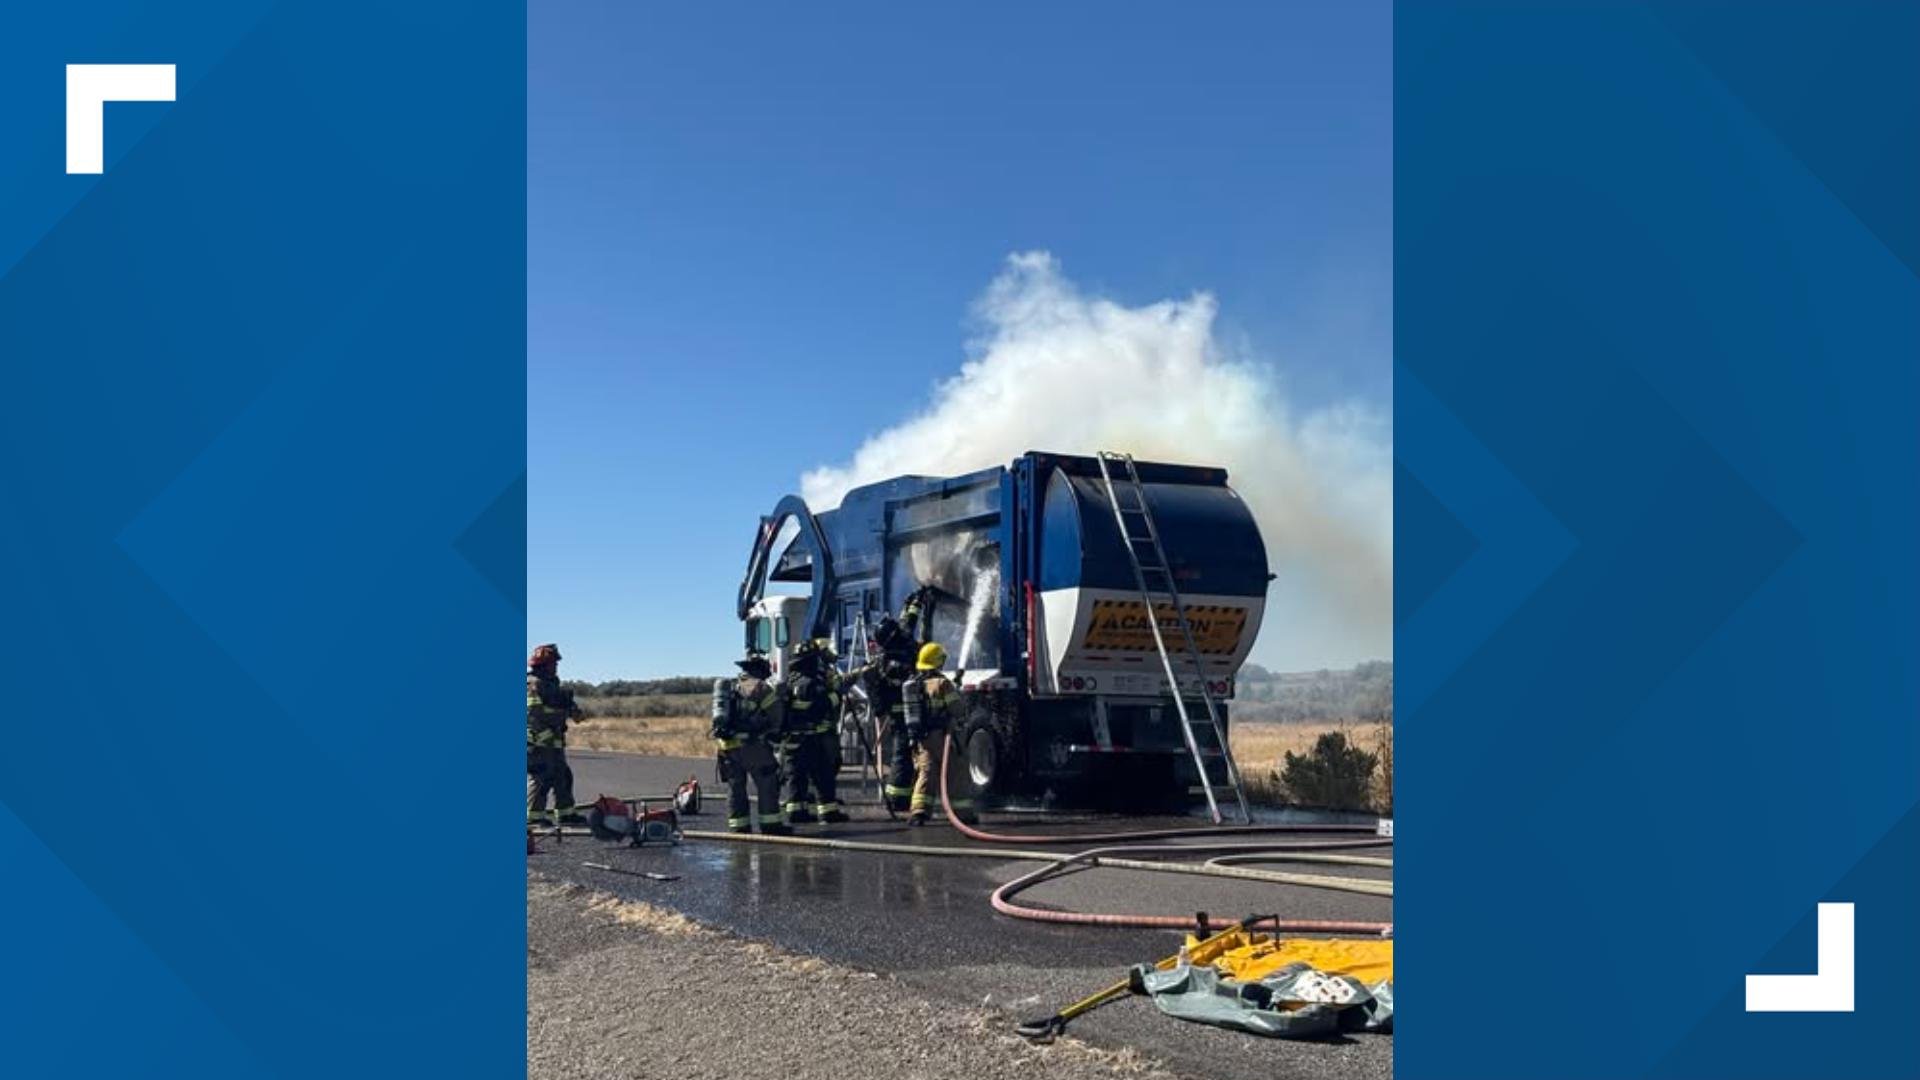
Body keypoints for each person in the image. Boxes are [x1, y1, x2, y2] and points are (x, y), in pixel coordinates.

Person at [900, 641, 978, 826]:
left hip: (921, 739)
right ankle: (963, 813)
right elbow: (957, 710)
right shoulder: (943, 683)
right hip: (943, 737)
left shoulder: (913, 684)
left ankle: (918, 812)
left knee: (926, 773)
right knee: (955, 772)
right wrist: (957, 692)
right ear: (938, 662)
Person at [711, 652, 790, 835]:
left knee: (736, 787)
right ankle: (770, 825)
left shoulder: (730, 688)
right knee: (767, 782)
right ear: (760, 670)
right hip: (752, 746)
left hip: (727, 747)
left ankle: (739, 826)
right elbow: (776, 717)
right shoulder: (761, 688)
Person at [778, 639, 848, 825]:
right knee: (822, 775)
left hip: (791, 740)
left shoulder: (790, 682)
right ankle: (828, 813)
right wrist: (837, 694)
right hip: (812, 738)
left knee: (796, 777)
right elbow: (821, 707)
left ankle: (796, 812)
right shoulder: (812, 683)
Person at [527, 643, 586, 825]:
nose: (556, 667)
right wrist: (562, 714)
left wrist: (572, 710)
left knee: (562, 775)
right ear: (543, 665)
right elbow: (533, 713)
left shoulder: (552, 685)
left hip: (553, 741)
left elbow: (561, 704)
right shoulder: (532, 684)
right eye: (553, 663)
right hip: (537, 741)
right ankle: (533, 818)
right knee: (541, 777)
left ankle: (566, 814)